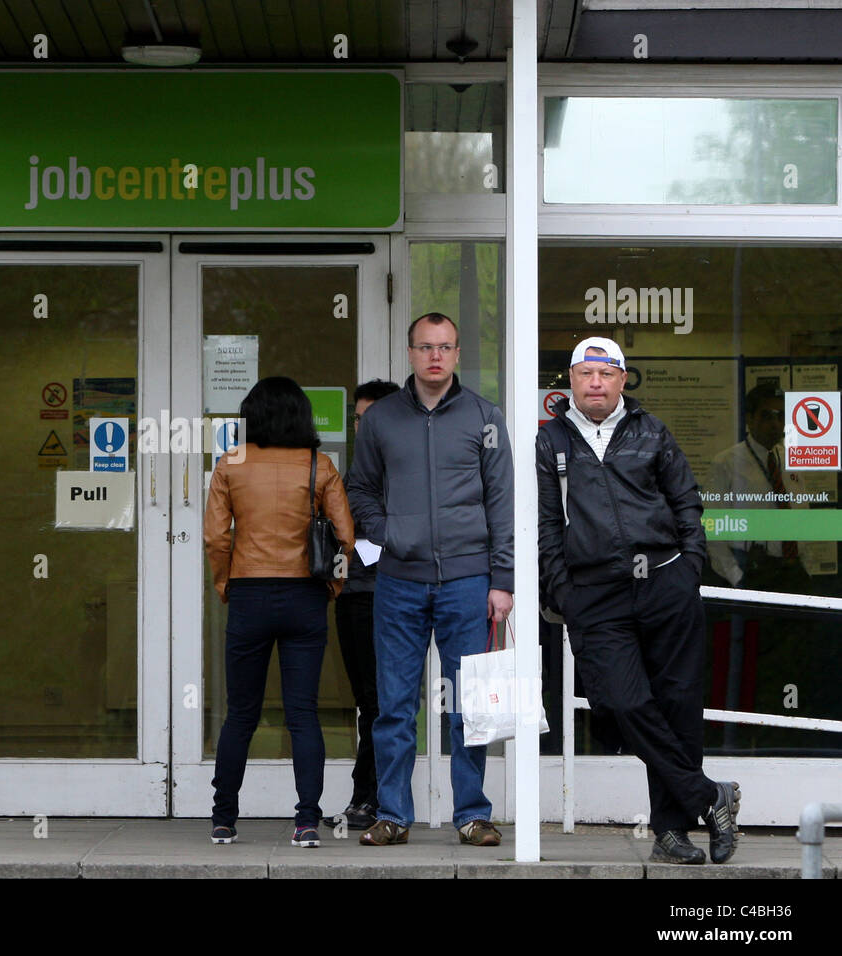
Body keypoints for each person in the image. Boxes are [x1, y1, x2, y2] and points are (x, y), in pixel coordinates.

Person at [536, 337, 741, 865]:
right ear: (572, 381)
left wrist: (689, 567)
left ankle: (672, 832)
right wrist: (563, 590)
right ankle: (708, 797)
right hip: (595, 595)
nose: (596, 383)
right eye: (586, 374)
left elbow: (686, 500)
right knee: (624, 702)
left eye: (606, 374)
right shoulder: (551, 441)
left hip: (665, 584)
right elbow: (544, 524)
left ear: (623, 380)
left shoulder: (651, 432)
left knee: (678, 709)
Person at [346, 313, 514, 847]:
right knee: (395, 704)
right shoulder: (382, 419)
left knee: (471, 703)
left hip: (468, 579)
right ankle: (393, 813)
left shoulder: (485, 417)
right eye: (425, 347)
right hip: (398, 581)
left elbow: (502, 503)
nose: (435, 356)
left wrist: (502, 579)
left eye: (444, 347)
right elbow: (359, 491)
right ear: (411, 353)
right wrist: (388, 533)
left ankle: (472, 813)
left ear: (458, 353)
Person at [204, 376, 354, 848]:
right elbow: (345, 537)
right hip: (304, 594)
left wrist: (225, 581)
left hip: (249, 592)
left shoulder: (233, 462)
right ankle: (307, 820)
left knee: (241, 714)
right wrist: (332, 585)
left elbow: (215, 537)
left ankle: (224, 818)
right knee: (303, 714)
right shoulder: (319, 463)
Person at [322, 379, 399, 832]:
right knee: (366, 701)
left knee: (383, 702)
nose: (364, 426)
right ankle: (370, 797)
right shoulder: (351, 474)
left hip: (394, 595)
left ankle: (373, 799)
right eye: (358, 418)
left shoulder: (406, 469)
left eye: (373, 418)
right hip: (353, 596)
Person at [705, 384, 809, 592]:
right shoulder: (726, 463)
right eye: (767, 416)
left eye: (780, 416)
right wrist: (737, 578)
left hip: (794, 572)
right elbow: (711, 529)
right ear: (749, 419)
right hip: (756, 573)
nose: (775, 424)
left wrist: (807, 566)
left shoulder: (792, 459)